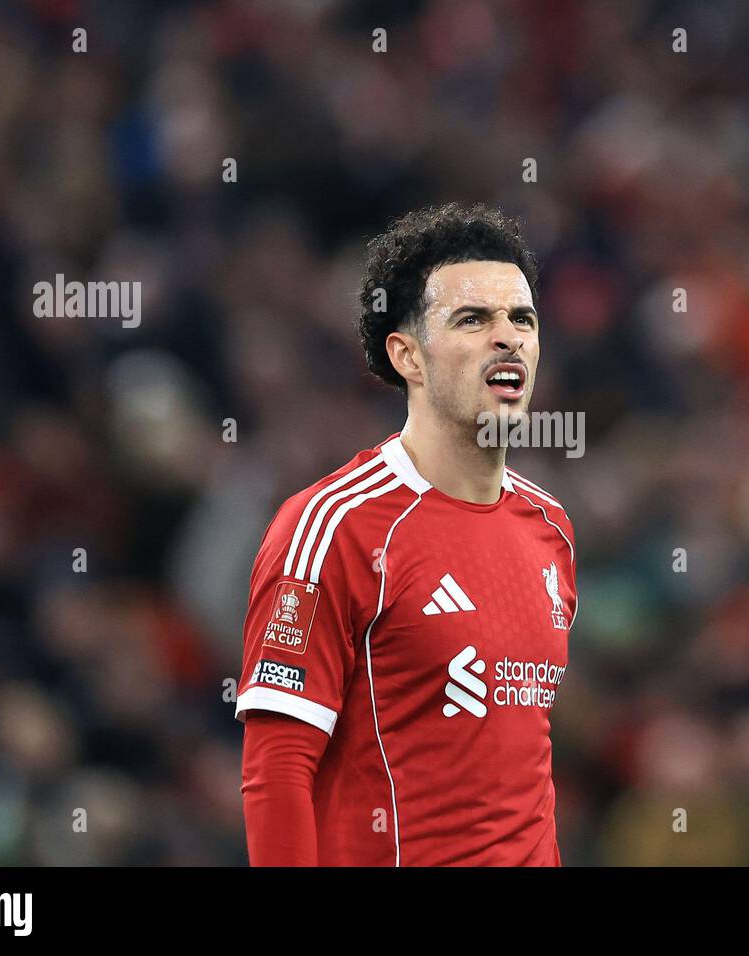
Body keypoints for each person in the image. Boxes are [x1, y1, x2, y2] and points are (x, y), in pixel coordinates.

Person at [237, 203, 577, 865]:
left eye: (522, 319)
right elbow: (276, 769)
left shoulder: (552, 530)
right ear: (408, 357)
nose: (507, 338)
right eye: (473, 320)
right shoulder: (334, 526)